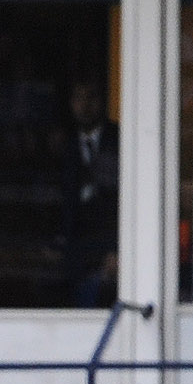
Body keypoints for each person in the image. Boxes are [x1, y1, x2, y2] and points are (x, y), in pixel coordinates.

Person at [59, 82, 122, 301]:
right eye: (79, 98)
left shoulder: (120, 140)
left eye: (91, 97)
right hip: (76, 257)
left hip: (112, 254)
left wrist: (118, 249)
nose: (85, 105)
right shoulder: (64, 145)